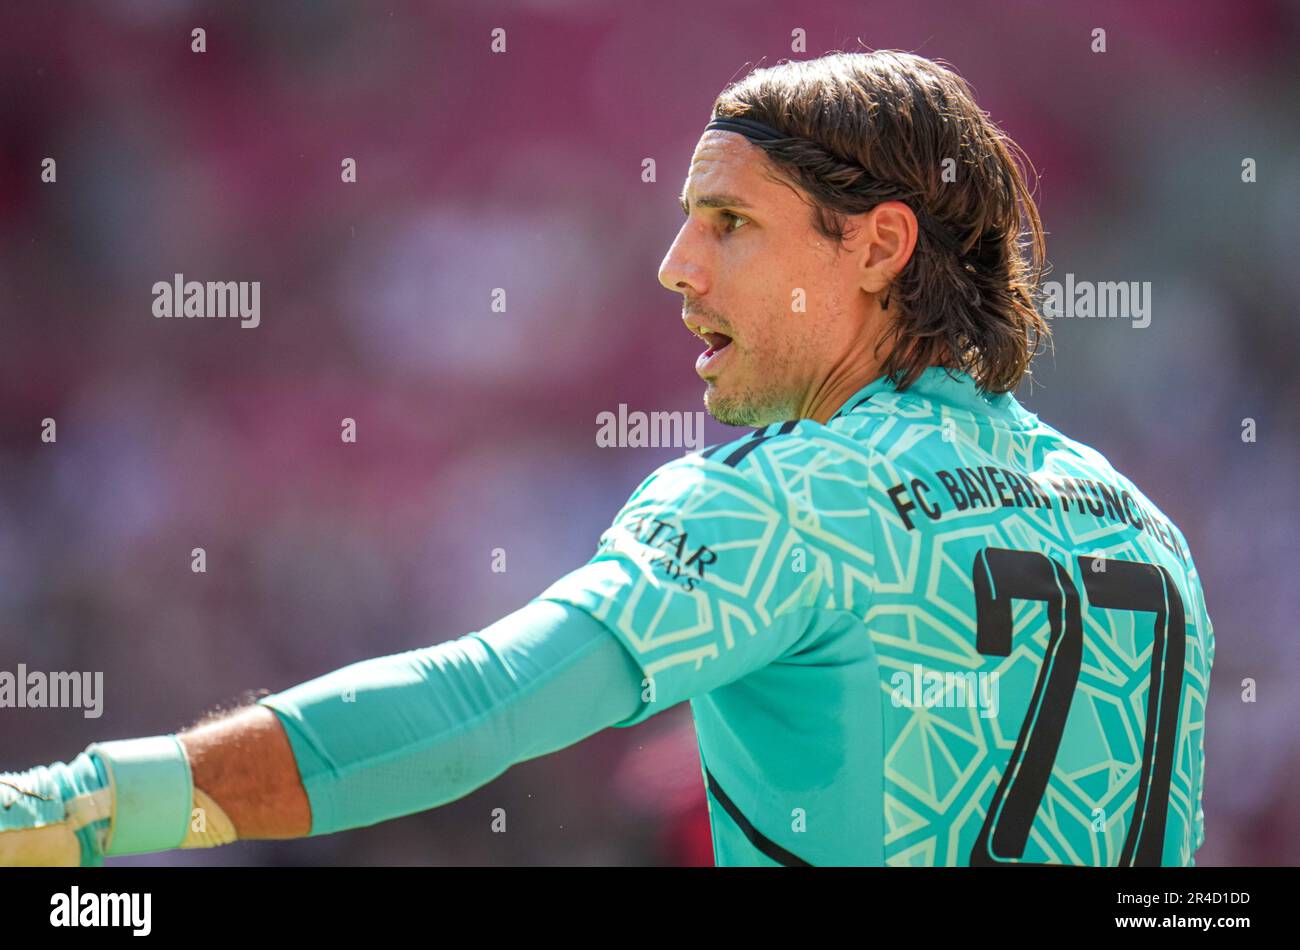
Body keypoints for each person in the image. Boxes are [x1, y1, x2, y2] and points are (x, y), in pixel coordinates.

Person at [0, 50, 1213, 867]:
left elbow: (476, 709)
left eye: (729, 221)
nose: (675, 264)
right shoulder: (1146, 529)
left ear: (879, 245)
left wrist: (84, 810)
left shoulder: (792, 497)